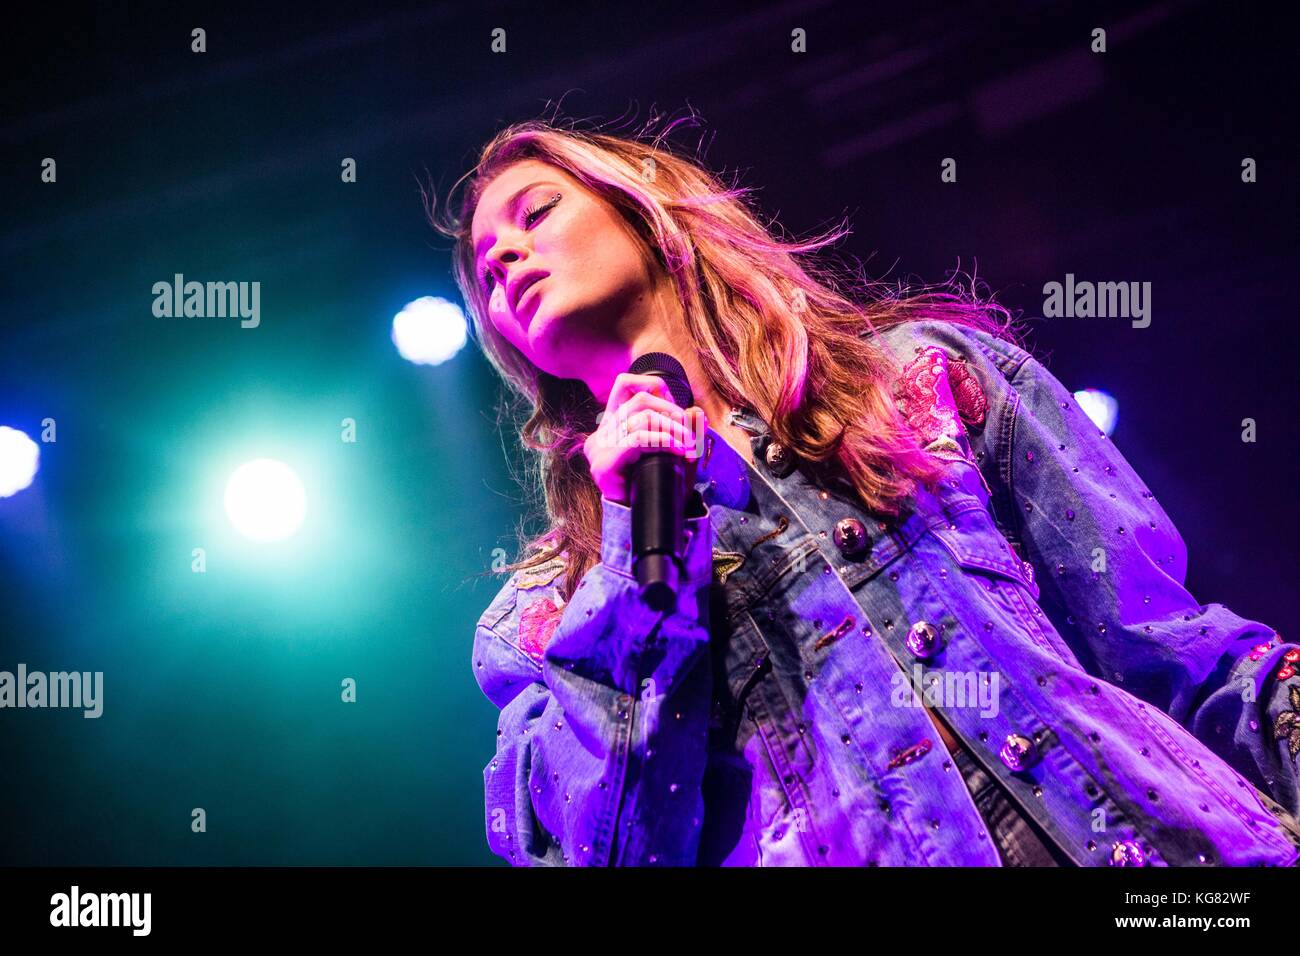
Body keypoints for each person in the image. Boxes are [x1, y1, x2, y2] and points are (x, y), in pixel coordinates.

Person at [429, 117, 1300, 866]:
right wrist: (630, 552)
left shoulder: (925, 379)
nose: (502, 254)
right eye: (485, 269)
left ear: (649, 213)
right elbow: (608, 845)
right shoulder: (539, 618)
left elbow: (1173, 654)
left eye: (535, 213)